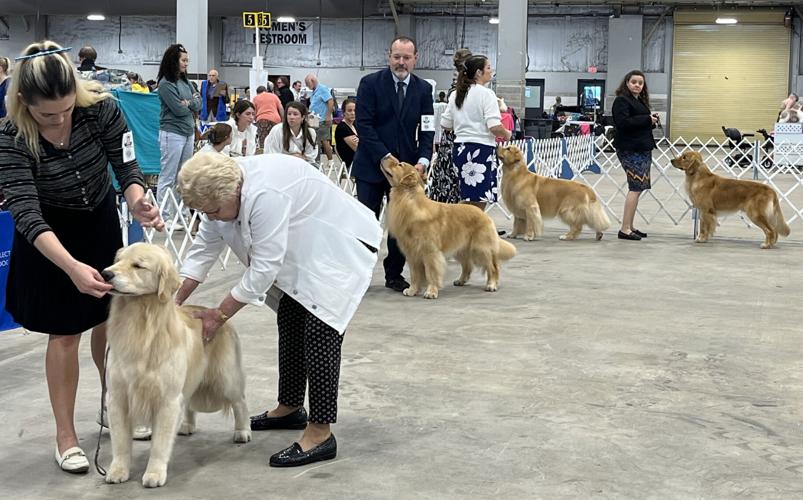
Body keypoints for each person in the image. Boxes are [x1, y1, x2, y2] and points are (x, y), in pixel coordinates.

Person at [0, 41, 163, 474]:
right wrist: (70, 267)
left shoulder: (103, 109)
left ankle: (114, 407)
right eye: (48, 115)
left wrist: (138, 199)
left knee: (109, 321)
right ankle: (66, 436)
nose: (60, 119)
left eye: (67, 108)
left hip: (99, 222)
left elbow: (126, 166)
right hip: (48, 238)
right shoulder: (9, 138)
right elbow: (26, 212)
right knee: (65, 333)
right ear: (23, 102)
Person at [174, 151, 381, 467]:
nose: (211, 218)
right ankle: (290, 408)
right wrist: (171, 302)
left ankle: (320, 433)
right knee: (291, 317)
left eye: (214, 211)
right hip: (304, 248)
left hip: (337, 247)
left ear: (232, 192)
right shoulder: (218, 197)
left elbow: (264, 267)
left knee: (321, 331)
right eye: (205, 212)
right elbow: (202, 252)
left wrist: (219, 314)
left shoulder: (265, 193)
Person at [352, 36, 434, 293]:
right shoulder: (370, 84)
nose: (401, 62)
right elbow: (363, 125)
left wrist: (423, 160)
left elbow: (428, 128)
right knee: (366, 223)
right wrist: (384, 156)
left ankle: (394, 275)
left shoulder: (424, 89)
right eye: (396, 57)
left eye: (406, 57)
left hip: (406, 173)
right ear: (389, 56)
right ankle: (358, 275)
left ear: (415, 59)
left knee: (402, 226)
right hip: (371, 166)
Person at [441, 54, 511, 210]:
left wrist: (463, 124)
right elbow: (494, 127)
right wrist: (507, 133)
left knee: (465, 196)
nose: (491, 71)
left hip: (460, 150)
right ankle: (469, 224)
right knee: (478, 199)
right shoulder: (487, 94)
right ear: (479, 72)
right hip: (481, 150)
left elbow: (445, 124)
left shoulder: (456, 94)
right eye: (488, 67)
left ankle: (461, 223)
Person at [156, 43, 201, 229]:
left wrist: (188, 103)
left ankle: (181, 216)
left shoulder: (186, 82)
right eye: (183, 60)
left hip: (188, 133)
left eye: (187, 60)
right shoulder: (165, 84)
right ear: (173, 61)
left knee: (182, 177)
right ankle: (164, 216)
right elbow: (178, 109)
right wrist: (191, 103)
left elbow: (199, 103)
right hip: (172, 133)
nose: (186, 63)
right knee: (168, 176)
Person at [611, 69, 657, 241]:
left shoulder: (639, 101)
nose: (637, 85)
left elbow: (639, 124)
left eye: (640, 83)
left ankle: (629, 226)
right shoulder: (621, 100)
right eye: (634, 82)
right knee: (635, 188)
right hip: (630, 150)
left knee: (638, 189)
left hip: (642, 149)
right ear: (627, 83)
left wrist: (651, 121)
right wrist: (646, 119)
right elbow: (623, 123)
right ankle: (624, 229)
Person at [430, 48, 472, 205]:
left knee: (446, 185)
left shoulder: (454, 87)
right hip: (463, 140)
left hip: (449, 142)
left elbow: (445, 122)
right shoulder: (470, 90)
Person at [264, 101, 318, 165]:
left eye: (295, 114)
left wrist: (302, 157)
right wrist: (290, 158)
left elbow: (311, 155)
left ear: (303, 117)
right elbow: (271, 153)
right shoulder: (277, 130)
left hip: (303, 164)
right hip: (280, 165)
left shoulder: (310, 132)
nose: (291, 117)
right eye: (289, 114)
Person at [304, 74, 336, 169]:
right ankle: (316, 160)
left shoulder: (322, 89)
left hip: (321, 119)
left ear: (313, 81)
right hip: (313, 119)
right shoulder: (315, 91)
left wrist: (328, 116)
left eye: (307, 83)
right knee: (314, 140)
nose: (307, 86)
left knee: (324, 140)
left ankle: (330, 161)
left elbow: (330, 101)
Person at [252, 85, 283, 149]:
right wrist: (283, 120)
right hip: (275, 119)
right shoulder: (274, 96)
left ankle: (264, 154)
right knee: (275, 141)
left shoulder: (256, 98)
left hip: (262, 119)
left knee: (263, 142)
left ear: (257, 93)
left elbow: (253, 111)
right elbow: (281, 109)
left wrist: (255, 119)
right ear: (266, 90)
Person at [334, 98, 358, 169]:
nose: (353, 113)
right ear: (343, 112)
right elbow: (358, 149)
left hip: (361, 161)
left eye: (355, 110)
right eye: (349, 111)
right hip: (352, 165)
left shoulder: (355, 125)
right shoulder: (342, 128)